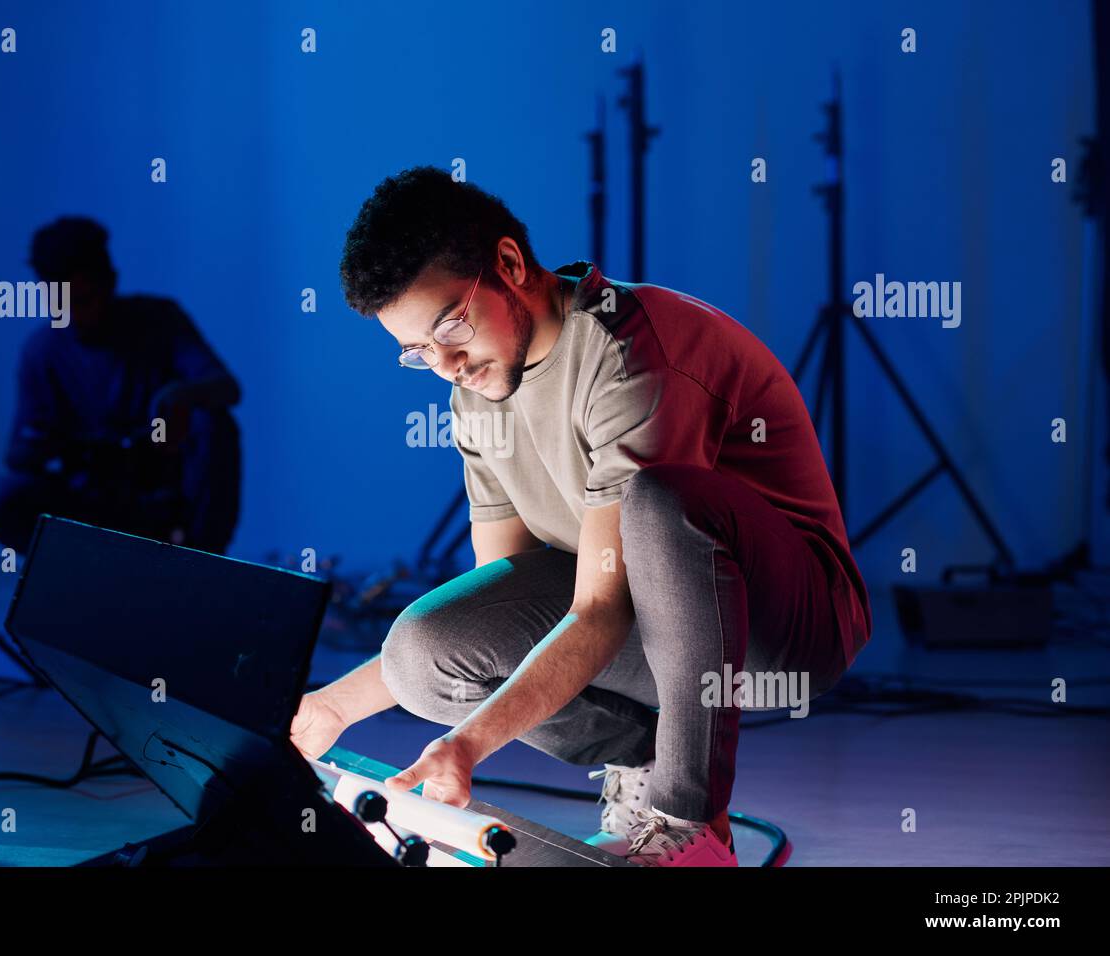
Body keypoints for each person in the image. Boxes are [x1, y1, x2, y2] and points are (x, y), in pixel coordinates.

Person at [291, 166, 872, 867]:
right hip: (651, 620)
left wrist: (468, 744)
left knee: (659, 503)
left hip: (789, 627)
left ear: (508, 264)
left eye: (450, 324)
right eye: (417, 353)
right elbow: (502, 598)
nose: (444, 364)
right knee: (426, 654)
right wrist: (333, 707)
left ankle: (690, 820)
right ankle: (644, 770)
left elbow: (598, 608)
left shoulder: (631, 352)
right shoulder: (479, 388)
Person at [0, 217, 242, 556]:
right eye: (60, 303)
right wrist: (61, 446)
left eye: (83, 300)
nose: (73, 314)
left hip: (159, 498)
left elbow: (227, 387)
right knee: (1, 498)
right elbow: (18, 455)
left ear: (110, 284)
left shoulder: (160, 320)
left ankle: (200, 565)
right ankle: (69, 570)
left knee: (214, 424)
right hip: (88, 500)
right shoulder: (42, 351)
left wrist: (179, 396)